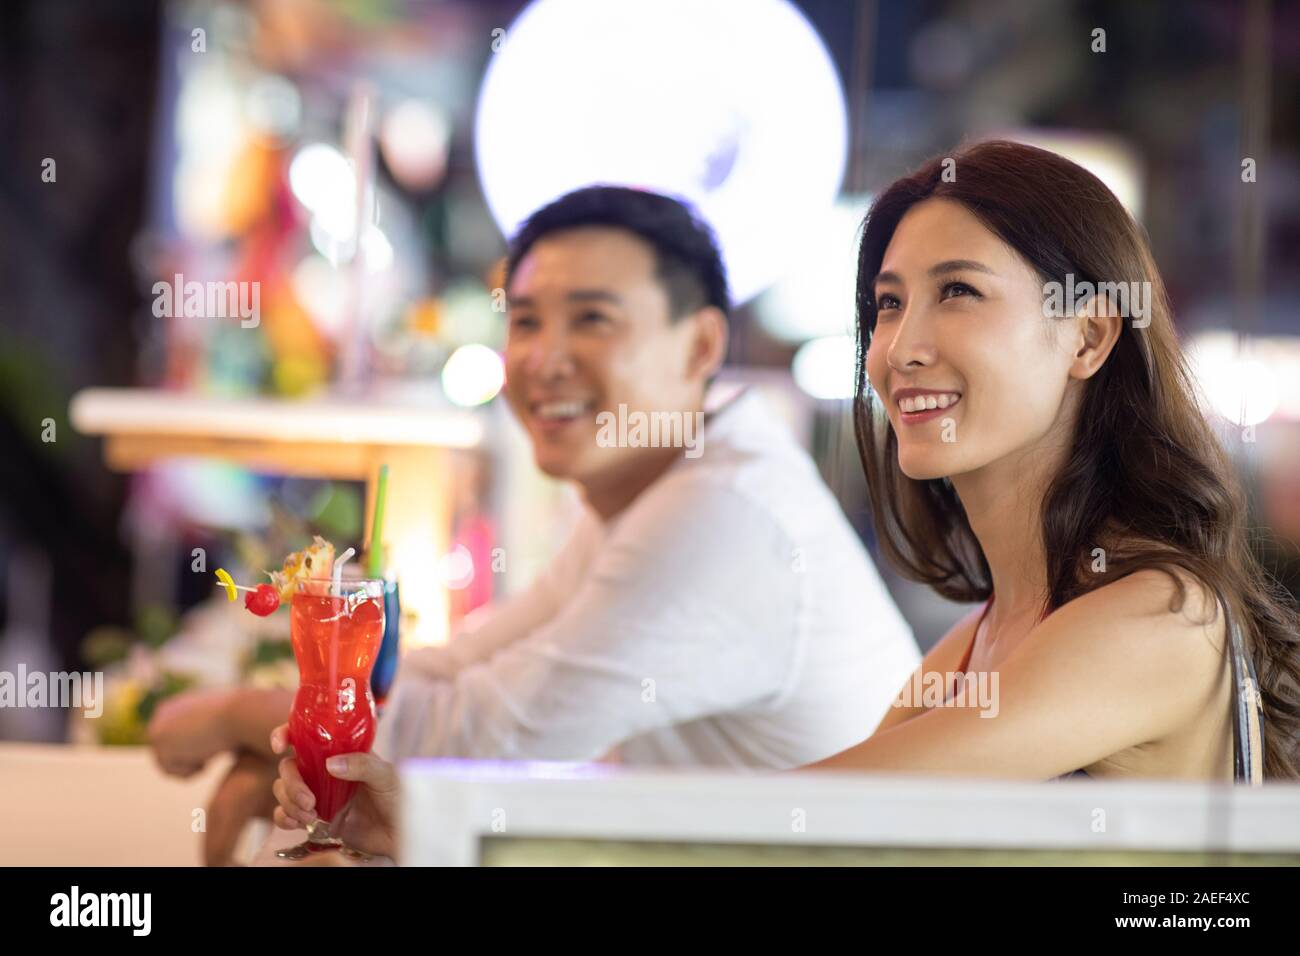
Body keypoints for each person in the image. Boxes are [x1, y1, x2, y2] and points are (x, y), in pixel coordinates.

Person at [157, 185, 920, 860]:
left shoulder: (728, 514)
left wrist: (229, 716)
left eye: (592, 319)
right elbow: (457, 669)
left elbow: (482, 738)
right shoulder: (653, 484)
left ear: (701, 345)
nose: (545, 358)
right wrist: (300, 737)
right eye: (525, 321)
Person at [802, 140, 1300, 781]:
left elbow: (823, 815)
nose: (899, 349)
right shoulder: (977, 640)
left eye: (957, 290)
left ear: (1087, 336)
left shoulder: (1156, 617)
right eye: (890, 303)